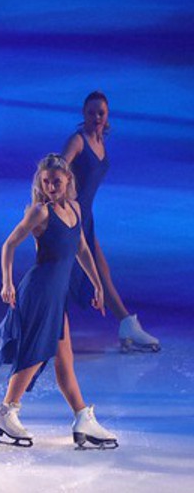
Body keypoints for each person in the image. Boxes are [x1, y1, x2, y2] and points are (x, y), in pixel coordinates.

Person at [0, 154, 119, 450]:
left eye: (56, 180)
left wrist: (97, 285)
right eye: (46, 182)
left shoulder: (76, 210)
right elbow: (9, 244)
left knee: (65, 360)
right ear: (41, 184)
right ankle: (6, 412)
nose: (51, 186)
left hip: (57, 295)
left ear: (68, 180)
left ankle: (82, 417)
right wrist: (6, 281)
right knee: (37, 352)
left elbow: (81, 249)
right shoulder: (40, 213)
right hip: (38, 292)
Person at [60, 91, 159, 352]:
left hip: (85, 216)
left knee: (100, 272)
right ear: (83, 114)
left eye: (100, 113)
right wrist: (65, 200)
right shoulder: (78, 141)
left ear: (107, 115)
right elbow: (58, 167)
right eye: (91, 112)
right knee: (59, 275)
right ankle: (30, 327)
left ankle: (127, 324)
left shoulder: (100, 140)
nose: (96, 117)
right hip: (71, 217)